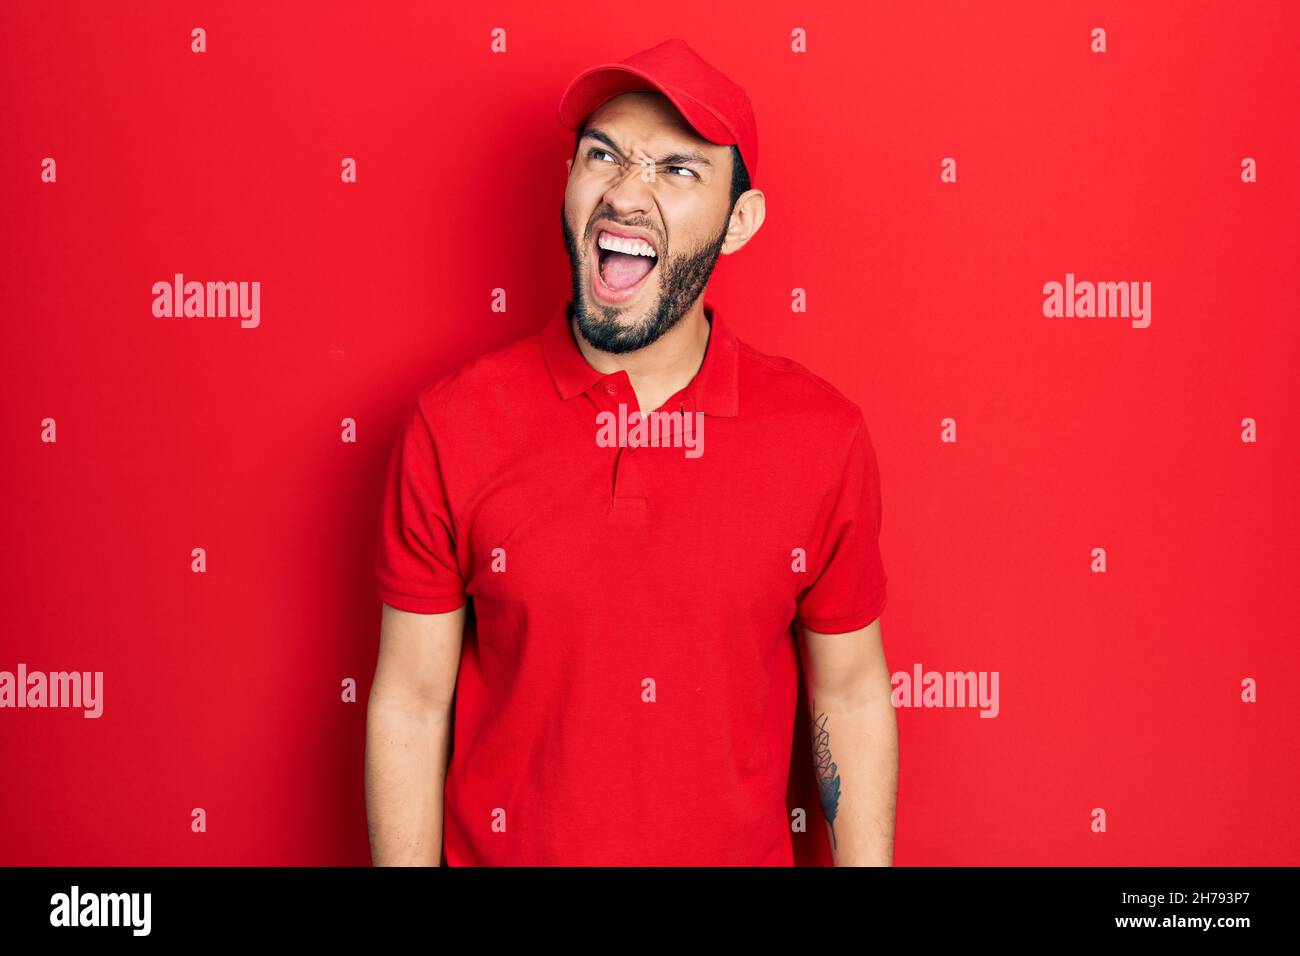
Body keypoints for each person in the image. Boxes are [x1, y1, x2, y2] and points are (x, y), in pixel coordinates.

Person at [365, 38, 895, 866]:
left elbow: (851, 692)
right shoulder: (452, 424)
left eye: (677, 171)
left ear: (739, 220)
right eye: (603, 157)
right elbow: (411, 699)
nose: (624, 193)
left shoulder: (822, 437)